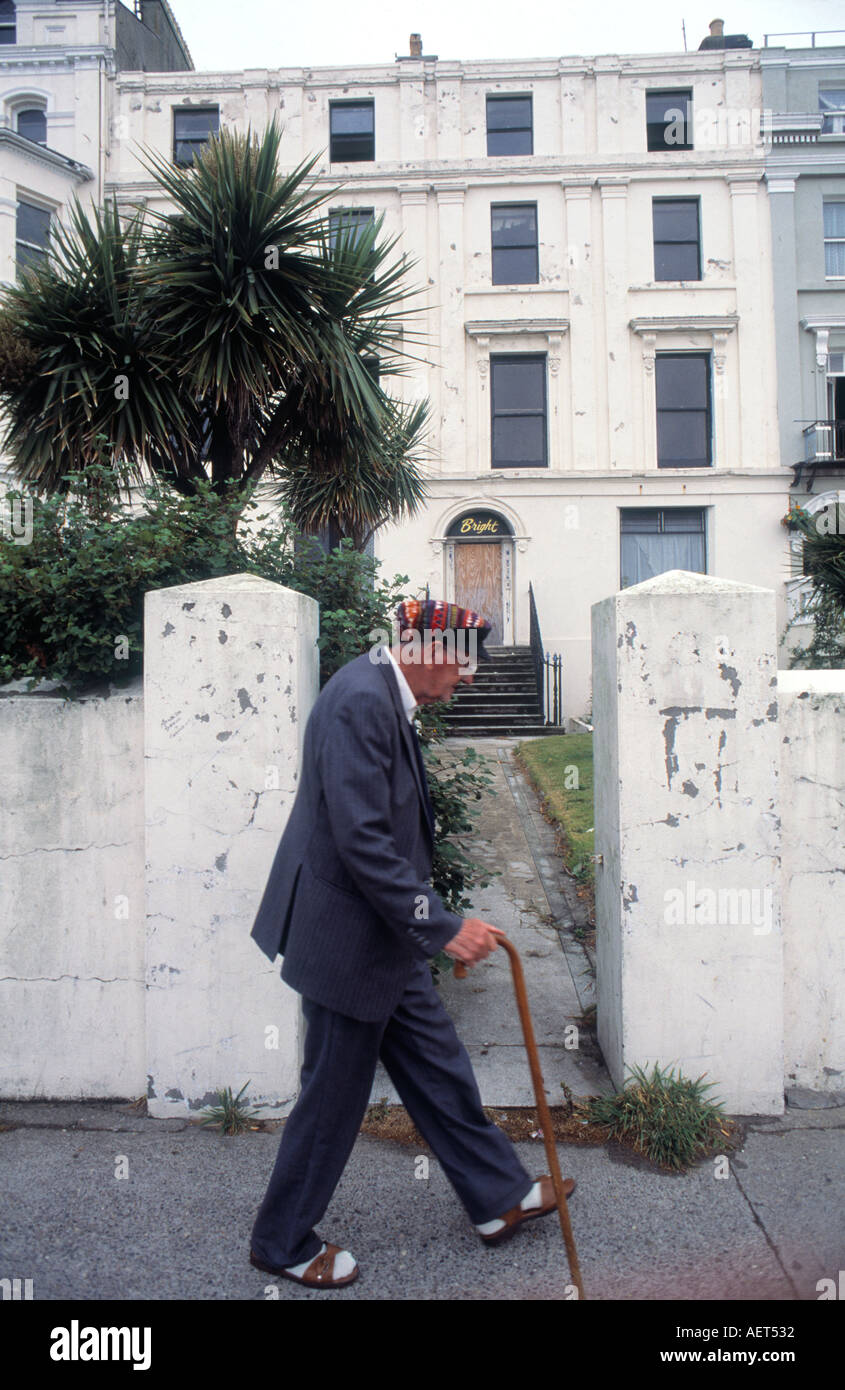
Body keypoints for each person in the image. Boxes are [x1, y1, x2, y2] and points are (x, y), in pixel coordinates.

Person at [248, 598, 576, 1288]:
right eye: (464, 663)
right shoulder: (359, 701)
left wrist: (425, 922)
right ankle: (280, 1241)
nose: (470, 678)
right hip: (347, 938)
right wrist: (443, 926)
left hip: (380, 936)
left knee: (436, 1064)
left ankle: (496, 1199)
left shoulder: (378, 687)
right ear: (430, 651)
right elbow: (360, 839)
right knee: (332, 1097)